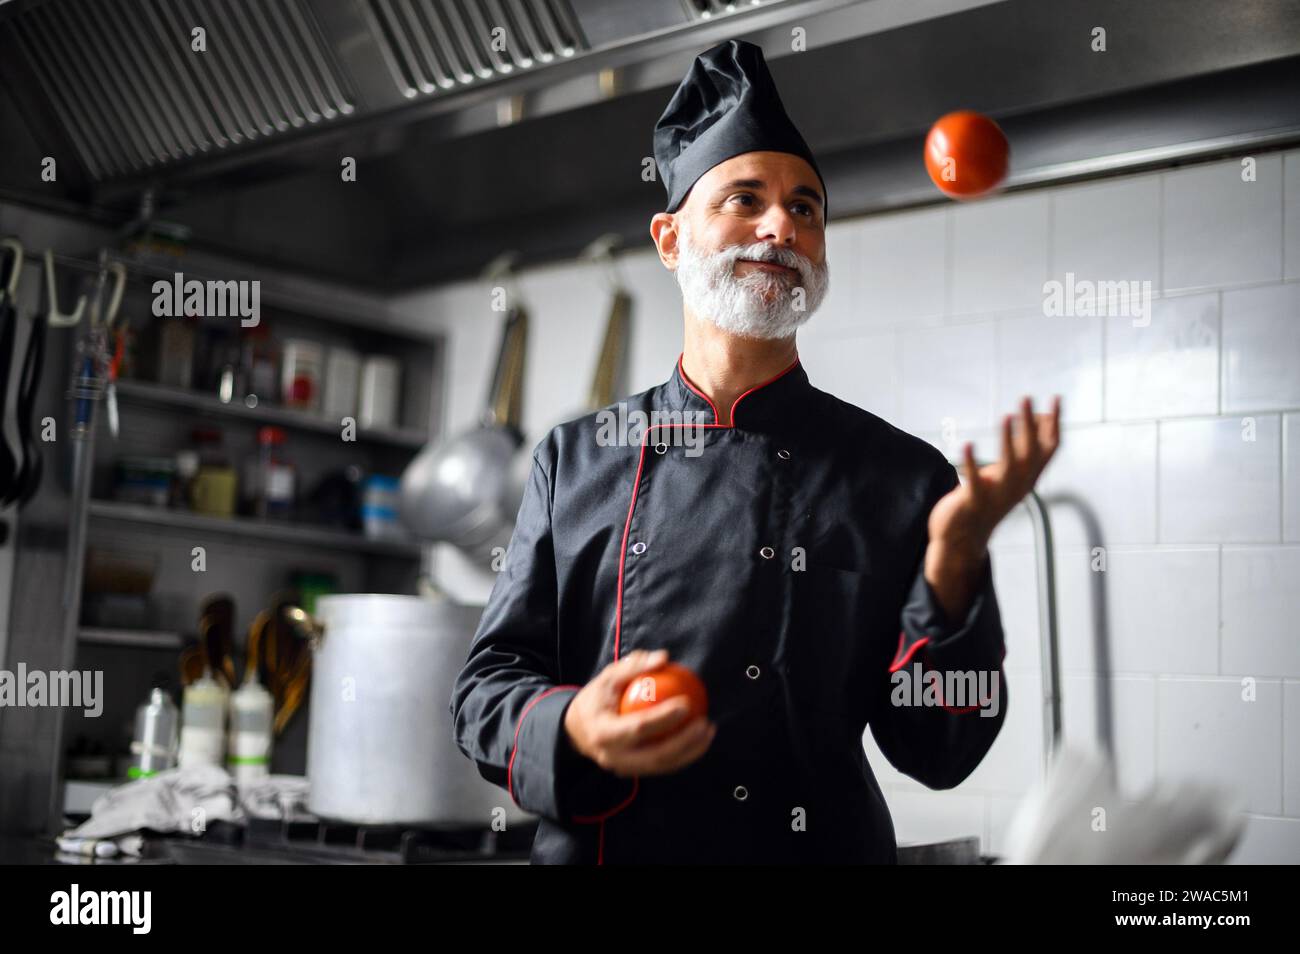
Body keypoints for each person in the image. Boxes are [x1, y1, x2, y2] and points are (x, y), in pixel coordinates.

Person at [451, 38, 1060, 864]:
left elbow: (940, 752)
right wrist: (574, 725)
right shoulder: (577, 460)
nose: (781, 224)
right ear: (670, 239)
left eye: (806, 208)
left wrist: (953, 567)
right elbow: (486, 693)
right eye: (746, 199)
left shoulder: (903, 479)